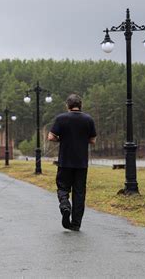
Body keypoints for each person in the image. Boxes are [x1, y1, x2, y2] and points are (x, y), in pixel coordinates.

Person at [48, 94, 96, 231]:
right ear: (81, 105)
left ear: (67, 106)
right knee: (79, 193)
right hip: (81, 163)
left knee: (62, 187)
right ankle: (76, 223)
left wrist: (61, 139)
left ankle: (65, 205)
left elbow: (51, 137)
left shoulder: (61, 118)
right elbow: (93, 140)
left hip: (65, 161)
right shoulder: (88, 119)